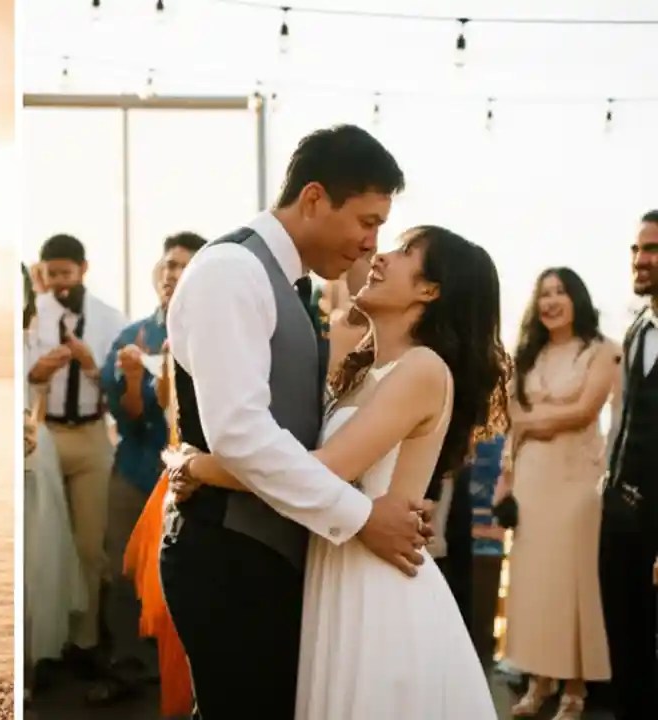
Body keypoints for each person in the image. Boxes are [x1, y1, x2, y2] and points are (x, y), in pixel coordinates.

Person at [171, 226, 508, 719]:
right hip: (337, 568)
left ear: (430, 289)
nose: (380, 255)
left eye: (404, 251)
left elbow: (322, 471)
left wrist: (198, 464)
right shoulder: (362, 368)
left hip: (379, 584)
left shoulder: (423, 369)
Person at [157, 124, 432, 720]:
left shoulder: (290, 282)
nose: (370, 244)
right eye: (366, 221)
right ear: (312, 198)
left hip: (269, 559)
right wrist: (362, 517)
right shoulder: (232, 271)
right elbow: (240, 432)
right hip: (228, 557)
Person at [497, 267, 615, 719]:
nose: (550, 301)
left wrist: (532, 420)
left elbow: (584, 412)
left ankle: (575, 688)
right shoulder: (528, 356)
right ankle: (538, 682)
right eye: (543, 293)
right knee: (533, 584)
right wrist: (506, 478)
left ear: (577, 298)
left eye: (560, 292)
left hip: (576, 483)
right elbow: (511, 425)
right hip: (530, 481)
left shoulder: (602, 351)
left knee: (573, 583)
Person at [94, 232, 205, 705]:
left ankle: (184, 673)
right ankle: (128, 665)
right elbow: (129, 417)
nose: (170, 274)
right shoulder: (132, 337)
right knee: (122, 568)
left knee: (184, 576)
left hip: (196, 478)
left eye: (182, 266)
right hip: (138, 469)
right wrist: (135, 382)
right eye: (166, 266)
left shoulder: (212, 333)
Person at [25, 234, 127, 677]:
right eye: (52, 275)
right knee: (45, 545)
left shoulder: (110, 319)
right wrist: (37, 371)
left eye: (67, 273)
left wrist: (90, 366)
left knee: (89, 546)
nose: (61, 283)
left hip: (90, 438)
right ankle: (46, 644)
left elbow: (123, 389)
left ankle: (84, 641)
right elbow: (22, 379)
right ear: (42, 274)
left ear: (83, 269)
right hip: (45, 436)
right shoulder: (32, 320)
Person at [598, 211, 658, 720]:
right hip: (624, 509)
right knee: (625, 631)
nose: (641, 260)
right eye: (637, 250)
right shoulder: (637, 328)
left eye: (653, 250)